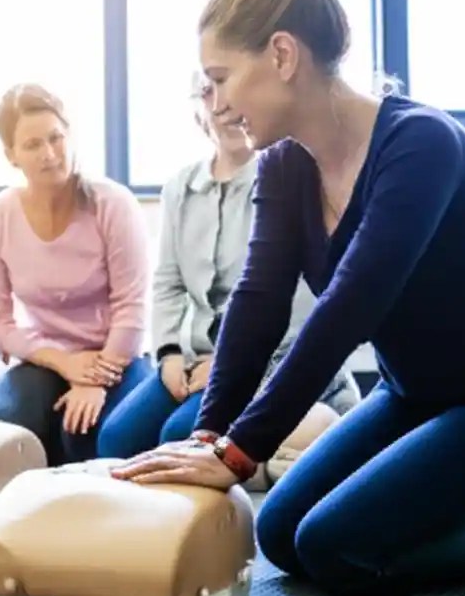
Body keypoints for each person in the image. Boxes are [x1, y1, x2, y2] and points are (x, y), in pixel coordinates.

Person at [112, 0, 465, 596]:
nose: (214, 103)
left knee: (335, 546)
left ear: (281, 55)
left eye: (220, 79)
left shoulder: (421, 144)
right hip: (415, 395)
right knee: (281, 534)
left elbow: (351, 305)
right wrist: (211, 433)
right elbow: (259, 301)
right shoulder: (282, 165)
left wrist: (241, 452)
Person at [97, 70, 359, 460]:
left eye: (232, 88)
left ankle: (202, 521)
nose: (223, 104)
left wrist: (226, 365)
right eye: (207, 92)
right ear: (198, 110)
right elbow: (167, 283)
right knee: (117, 438)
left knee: (178, 434)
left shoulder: (286, 176)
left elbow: (300, 300)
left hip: (267, 359)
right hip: (191, 359)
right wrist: (168, 355)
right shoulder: (180, 188)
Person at [0, 83, 153, 465]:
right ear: (11, 155)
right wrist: (64, 363)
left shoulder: (114, 204)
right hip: (47, 358)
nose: (50, 154)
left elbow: (132, 309)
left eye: (56, 138)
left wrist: (95, 378)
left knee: (87, 439)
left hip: (118, 357)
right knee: (9, 433)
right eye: (33, 145)